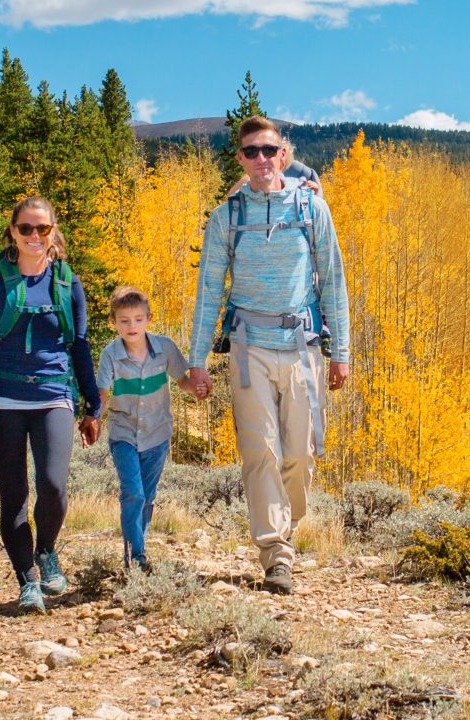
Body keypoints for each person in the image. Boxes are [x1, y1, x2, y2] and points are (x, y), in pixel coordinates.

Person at [186, 116, 352, 594]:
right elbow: (209, 291)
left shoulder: (312, 210)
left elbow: (333, 280)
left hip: (302, 348)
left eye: (268, 150)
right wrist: (198, 360)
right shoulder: (226, 218)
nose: (260, 159)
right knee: (260, 451)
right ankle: (275, 553)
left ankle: (289, 524)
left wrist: (340, 351)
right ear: (240, 158)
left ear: (284, 155)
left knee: (299, 455)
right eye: (250, 152)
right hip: (247, 349)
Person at [0, 197, 102, 614]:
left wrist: (93, 406)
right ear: (12, 231)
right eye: (26, 229)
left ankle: (46, 549)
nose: (34, 236)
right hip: (2, 400)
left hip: (54, 396)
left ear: (53, 233)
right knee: (13, 495)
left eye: (42, 229)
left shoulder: (68, 282)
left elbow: (80, 347)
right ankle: (27, 580)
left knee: (53, 485)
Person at [97, 285, 187, 570]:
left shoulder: (165, 348)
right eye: (124, 320)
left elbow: (181, 378)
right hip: (123, 433)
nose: (131, 326)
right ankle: (135, 556)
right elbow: (102, 392)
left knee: (147, 495)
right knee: (132, 491)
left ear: (149, 318)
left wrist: (197, 387)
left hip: (157, 435)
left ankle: (139, 545)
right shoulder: (110, 355)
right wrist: (92, 418)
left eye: (137, 319)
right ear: (114, 323)